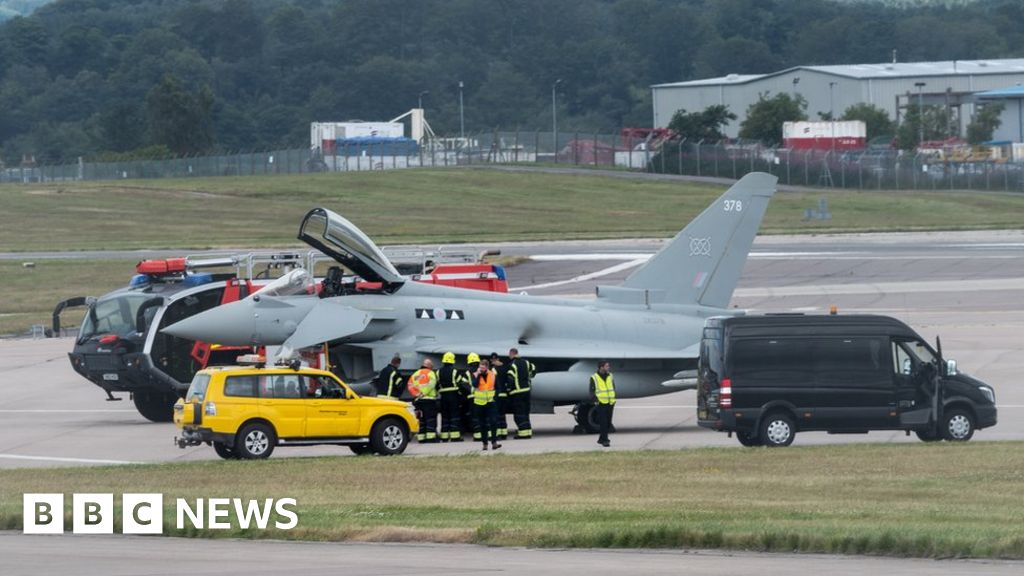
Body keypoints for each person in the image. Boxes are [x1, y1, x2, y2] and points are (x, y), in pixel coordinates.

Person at [507, 347, 536, 439]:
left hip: (517, 392)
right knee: (525, 413)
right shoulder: (526, 362)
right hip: (527, 391)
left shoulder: (513, 364)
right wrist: (529, 377)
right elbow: (534, 369)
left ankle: (523, 434)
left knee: (519, 414)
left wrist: (508, 388)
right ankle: (528, 432)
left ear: (512, 354)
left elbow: (510, 378)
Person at [408, 358, 439, 443]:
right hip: (429, 400)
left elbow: (410, 385)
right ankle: (431, 438)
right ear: (429, 366)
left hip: (418, 401)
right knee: (430, 419)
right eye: (431, 366)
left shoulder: (415, 374)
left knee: (421, 420)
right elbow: (432, 384)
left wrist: (417, 394)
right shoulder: (430, 373)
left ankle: (421, 438)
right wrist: (424, 393)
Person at [473, 358, 501, 451]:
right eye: (480, 368)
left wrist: (495, 398)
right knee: (482, 424)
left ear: (487, 367)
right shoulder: (476, 375)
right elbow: (475, 385)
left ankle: (494, 442)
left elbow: (498, 388)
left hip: (491, 402)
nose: (481, 369)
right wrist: (478, 375)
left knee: (493, 422)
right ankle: (484, 443)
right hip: (479, 403)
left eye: (483, 368)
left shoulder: (493, 375)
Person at [436, 352, 464, 442]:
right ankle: (455, 437)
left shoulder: (438, 372)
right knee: (454, 416)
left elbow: (436, 385)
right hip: (453, 396)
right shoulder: (455, 371)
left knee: (445, 416)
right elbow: (461, 384)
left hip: (443, 397)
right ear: (452, 360)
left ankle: (444, 437)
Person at [589, 361, 616, 447]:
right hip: (601, 403)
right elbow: (591, 391)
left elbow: (613, 387)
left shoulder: (610, 376)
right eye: (607, 366)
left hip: (610, 403)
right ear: (601, 367)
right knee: (603, 423)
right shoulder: (594, 377)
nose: (608, 367)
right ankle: (605, 440)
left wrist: (614, 397)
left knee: (608, 423)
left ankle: (601, 439)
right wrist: (595, 400)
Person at [462, 353, 482, 441]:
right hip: (483, 397)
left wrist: (471, 391)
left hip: (472, 398)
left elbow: (463, 384)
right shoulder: (483, 371)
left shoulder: (467, 373)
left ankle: (477, 435)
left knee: (475, 417)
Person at [491, 352, 510, 439]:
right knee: (503, 415)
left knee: (496, 415)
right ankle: (504, 433)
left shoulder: (493, 370)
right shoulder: (505, 368)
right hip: (504, 394)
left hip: (497, 394)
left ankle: (498, 434)